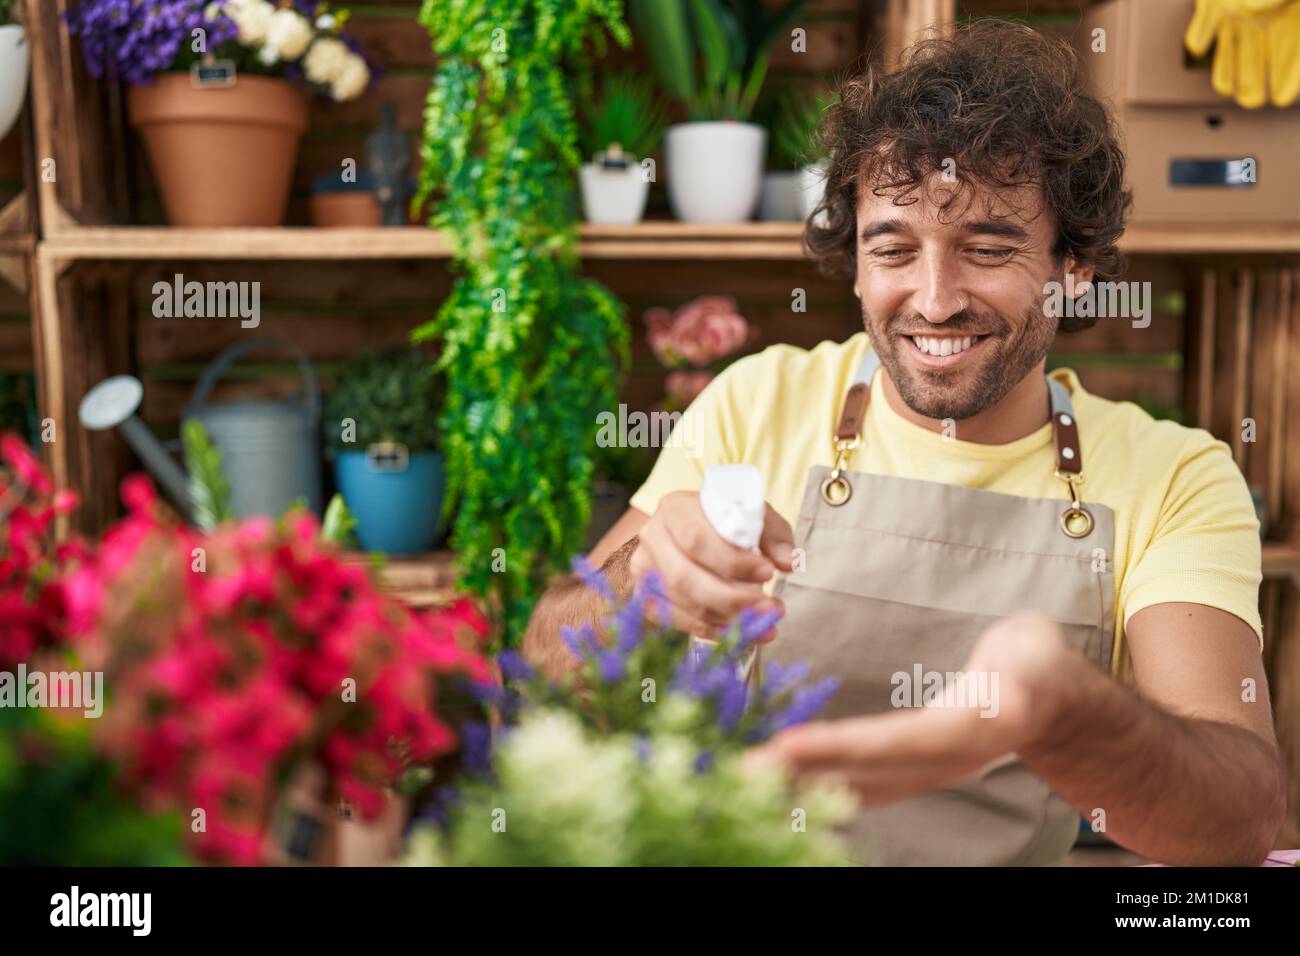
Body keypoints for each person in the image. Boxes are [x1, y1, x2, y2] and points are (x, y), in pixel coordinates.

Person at [523, 21, 1285, 866]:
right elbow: (544, 687)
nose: (934, 299)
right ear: (853, 264)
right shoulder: (756, 403)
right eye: (892, 249)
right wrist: (639, 587)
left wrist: (1075, 716)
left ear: (1076, 269)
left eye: (988, 247)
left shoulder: (1173, 475)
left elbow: (1239, 824)